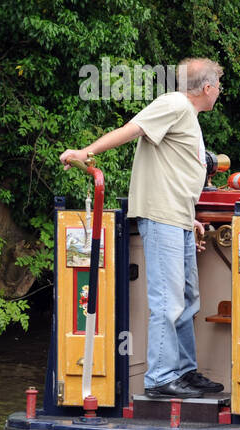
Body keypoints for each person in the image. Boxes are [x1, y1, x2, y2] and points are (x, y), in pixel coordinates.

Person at [59, 58, 225, 400]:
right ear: (207, 88)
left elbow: (172, 171)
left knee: (188, 298)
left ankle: (185, 370)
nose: (219, 93)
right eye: (219, 86)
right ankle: (161, 377)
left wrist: (189, 215)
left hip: (177, 215)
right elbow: (130, 129)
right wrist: (85, 153)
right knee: (167, 300)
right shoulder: (174, 104)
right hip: (162, 217)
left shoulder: (186, 115)